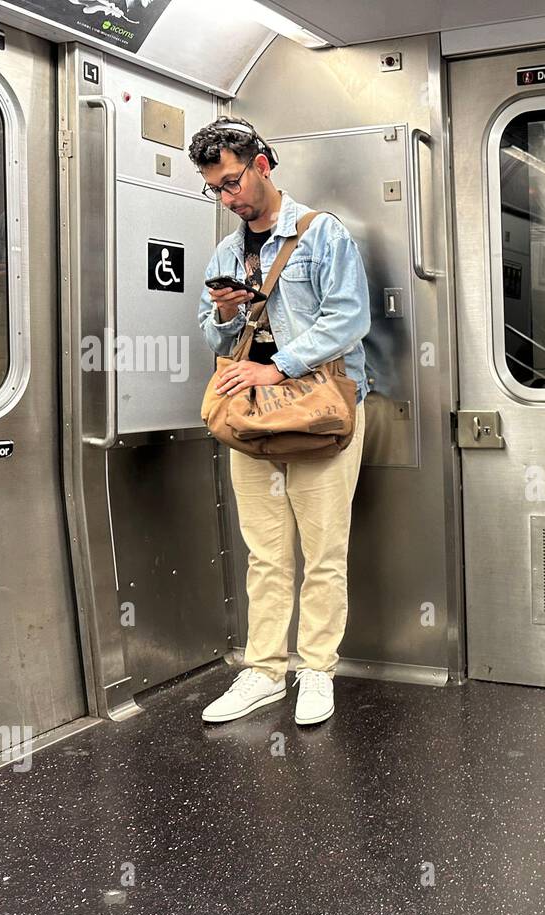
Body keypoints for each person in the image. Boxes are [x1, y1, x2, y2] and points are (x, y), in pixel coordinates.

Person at [189, 118, 371, 726]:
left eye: (233, 181)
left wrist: (280, 366)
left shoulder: (322, 235)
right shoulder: (227, 250)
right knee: (265, 553)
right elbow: (210, 332)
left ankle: (316, 670)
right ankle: (265, 671)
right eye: (215, 189)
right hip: (253, 420)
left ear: (263, 165)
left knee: (323, 551)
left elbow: (348, 319)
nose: (227, 197)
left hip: (317, 411)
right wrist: (222, 314)